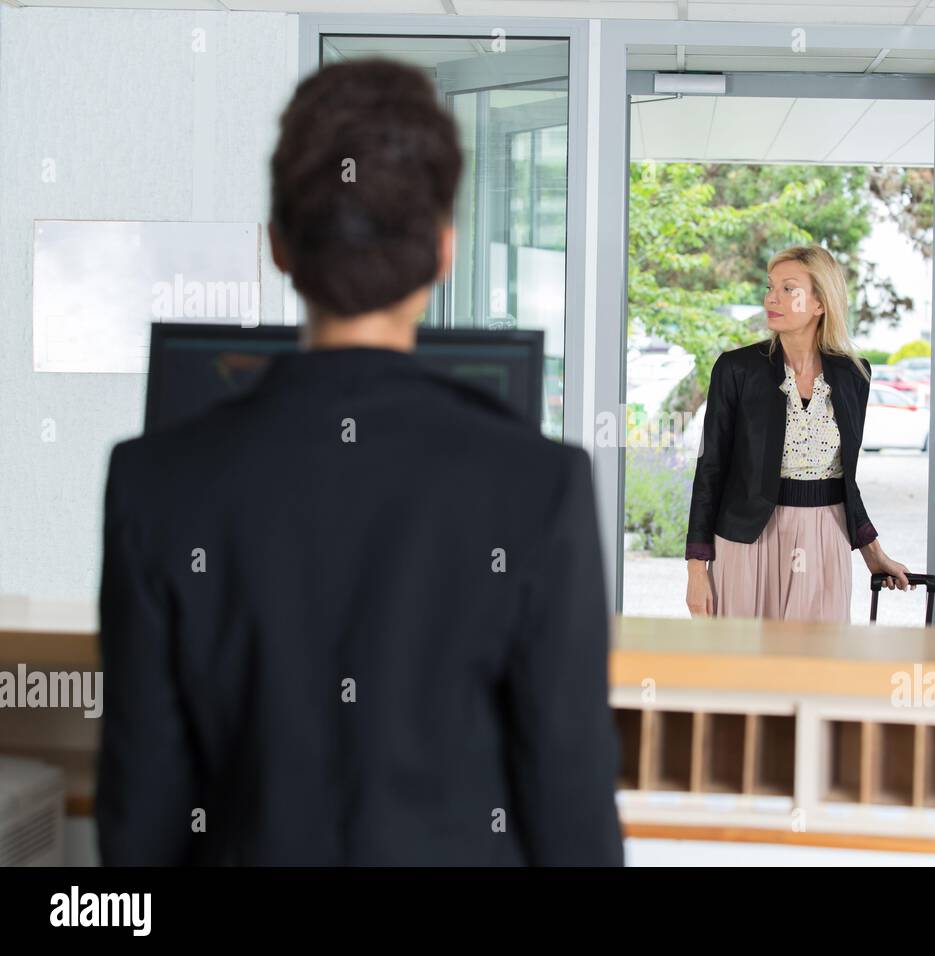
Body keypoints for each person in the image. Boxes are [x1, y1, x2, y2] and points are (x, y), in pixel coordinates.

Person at [95, 59, 624, 866]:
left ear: (278, 243)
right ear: (445, 251)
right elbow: (570, 806)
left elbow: (141, 816)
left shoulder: (154, 482)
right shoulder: (541, 486)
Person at [684, 245, 914, 621]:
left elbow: (845, 479)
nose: (771, 297)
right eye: (770, 286)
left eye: (788, 289)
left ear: (820, 303)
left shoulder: (855, 376)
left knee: (815, 670)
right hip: (746, 541)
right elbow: (710, 470)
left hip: (825, 539)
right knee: (743, 669)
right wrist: (697, 569)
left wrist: (874, 554)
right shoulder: (736, 370)